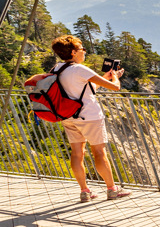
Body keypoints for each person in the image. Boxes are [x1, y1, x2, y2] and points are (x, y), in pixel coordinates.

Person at [27, 35, 133, 202]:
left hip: (68, 117)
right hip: (89, 117)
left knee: (77, 154)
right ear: (74, 52)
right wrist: (116, 77)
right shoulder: (80, 69)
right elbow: (115, 87)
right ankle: (112, 189)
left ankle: (85, 191)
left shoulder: (57, 69)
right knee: (99, 152)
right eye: (82, 49)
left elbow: (84, 87)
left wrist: (105, 76)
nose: (85, 51)